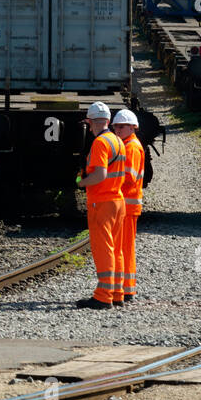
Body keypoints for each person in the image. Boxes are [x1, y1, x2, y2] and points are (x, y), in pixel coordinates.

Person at [74, 101, 127, 310]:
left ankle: (103, 296)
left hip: (102, 202)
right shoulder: (117, 140)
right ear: (108, 120)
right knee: (116, 249)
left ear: (91, 122)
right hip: (118, 201)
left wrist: (81, 183)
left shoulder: (100, 143)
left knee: (103, 249)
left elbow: (100, 174)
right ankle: (117, 293)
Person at [111, 109, 146, 304]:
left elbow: (129, 177)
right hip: (126, 205)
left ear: (133, 127)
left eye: (122, 126)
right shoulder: (126, 145)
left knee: (124, 248)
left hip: (127, 206)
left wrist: (108, 182)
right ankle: (126, 288)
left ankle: (126, 289)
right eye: (116, 126)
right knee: (124, 248)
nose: (118, 129)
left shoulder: (131, 147)